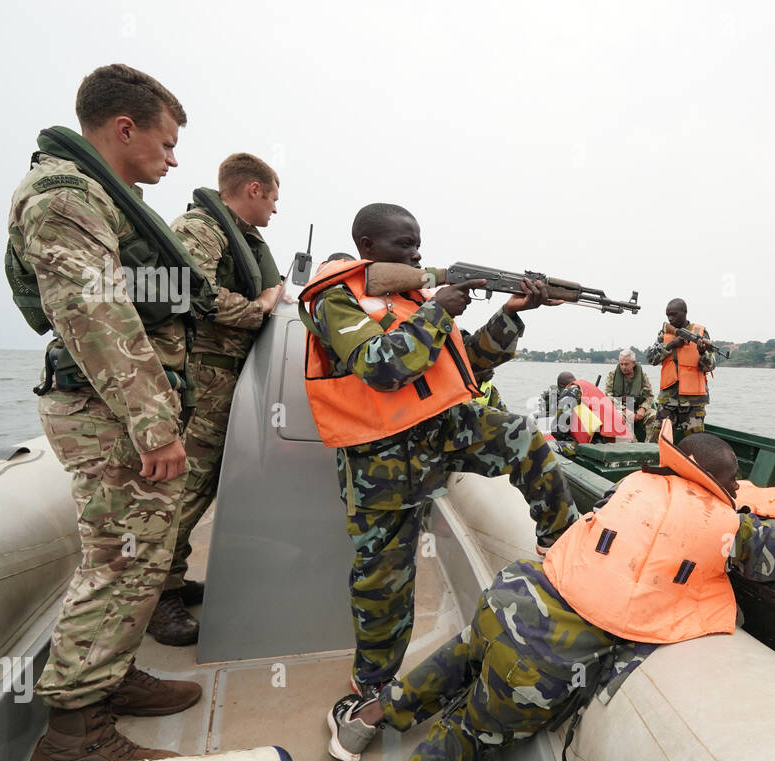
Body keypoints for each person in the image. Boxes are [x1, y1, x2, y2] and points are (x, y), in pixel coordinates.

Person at [315, 428, 775, 761]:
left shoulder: (636, 485)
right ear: (721, 483)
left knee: (458, 656)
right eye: (733, 479)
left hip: (512, 596)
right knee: (470, 732)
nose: (737, 487)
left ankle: (361, 723)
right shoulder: (731, 526)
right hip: (549, 656)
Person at [5, 64, 204, 761]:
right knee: (120, 561)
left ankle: (108, 678)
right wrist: (156, 426)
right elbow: (96, 314)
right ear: (125, 128)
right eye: (168, 141)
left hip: (118, 407)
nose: (173, 158)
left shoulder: (94, 194)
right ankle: (73, 736)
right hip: (108, 413)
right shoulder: (63, 197)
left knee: (140, 557)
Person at [297, 203, 577, 699]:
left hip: (441, 430)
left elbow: (471, 363)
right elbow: (380, 367)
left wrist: (511, 313)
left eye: (418, 243)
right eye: (404, 244)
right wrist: (437, 308)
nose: (417, 253)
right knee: (385, 586)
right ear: (367, 247)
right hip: (380, 462)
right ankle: (371, 688)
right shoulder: (334, 300)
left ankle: (559, 543)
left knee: (524, 438)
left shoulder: (405, 297)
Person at [152, 153, 285, 645]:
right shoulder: (202, 229)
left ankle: (170, 578)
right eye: (273, 198)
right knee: (183, 493)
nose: (274, 210)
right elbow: (190, 293)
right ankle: (155, 599)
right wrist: (260, 308)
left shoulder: (236, 237)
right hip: (199, 381)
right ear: (253, 189)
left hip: (221, 381)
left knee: (200, 487)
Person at [646, 298, 714, 440]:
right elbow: (651, 358)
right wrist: (671, 345)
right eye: (668, 315)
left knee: (696, 444)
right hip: (668, 400)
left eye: (674, 314)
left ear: (685, 313)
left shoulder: (701, 333)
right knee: (657, 441)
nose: (670, 318)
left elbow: (710, 365)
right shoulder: (664, 334)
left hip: (694, 402)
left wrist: (702, 352)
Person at [604, 348, 655, 441]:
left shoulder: (642, 376)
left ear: (633, 363)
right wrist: (624, 409)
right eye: (621, 364)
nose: (623, 367)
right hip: (620, 409)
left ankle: (650, 447)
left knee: (654, 416)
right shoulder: (612, 375)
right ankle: (633, 446)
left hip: (638, 408)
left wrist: (643, 408)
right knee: (618, 418)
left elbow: (650, 395)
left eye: (626, 364)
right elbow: (608, 396)